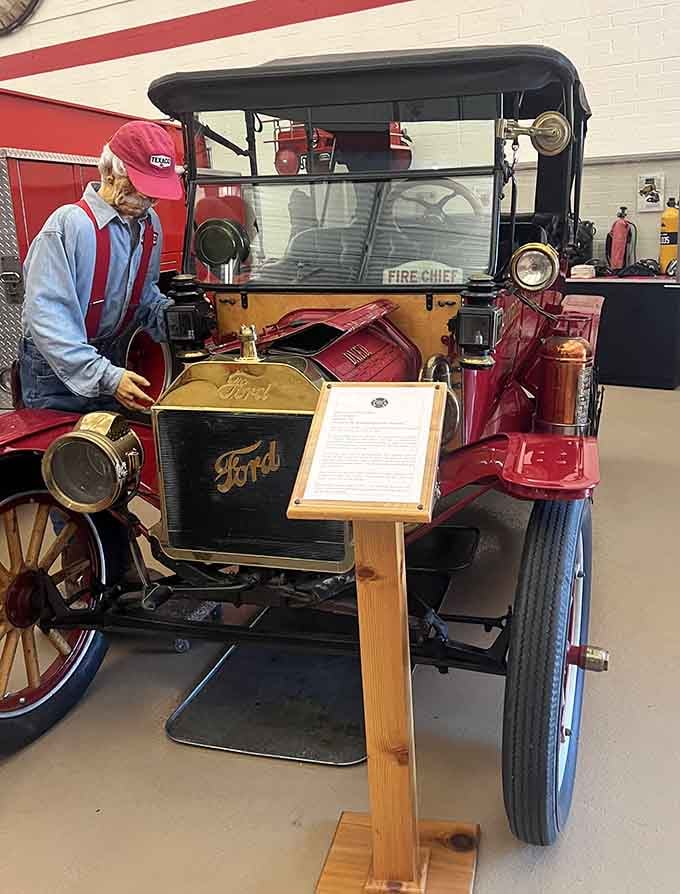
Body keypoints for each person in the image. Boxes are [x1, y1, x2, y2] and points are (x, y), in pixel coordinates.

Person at [19, 120, 183, 414]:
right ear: (109, 172)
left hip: (111, 357)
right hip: (54, 370)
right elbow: (48, 318)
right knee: (65, 453)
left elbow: (143, 295)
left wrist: (173, 317)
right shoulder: (69, 226)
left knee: (114, 452)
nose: (151, 198)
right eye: (142, 186)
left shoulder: (149, 227)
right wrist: (106, 376)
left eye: (156, 189)